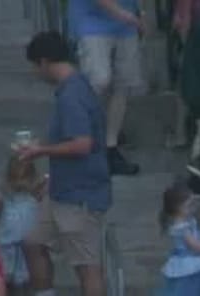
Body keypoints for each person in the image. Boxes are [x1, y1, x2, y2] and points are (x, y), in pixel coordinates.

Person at [19, 31, 114, 296]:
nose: (36, 73)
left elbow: (82, 144)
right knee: (33, 241)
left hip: (81, 195)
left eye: (36, 66)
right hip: (61, 189)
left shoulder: (72, 94)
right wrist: (51, 175)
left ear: (45, 62)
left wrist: (39, 151)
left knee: (87, 268)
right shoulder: (72, 89)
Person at [67, 0, 144, 175]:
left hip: (126, 25)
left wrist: (139, 13)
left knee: (123, 84)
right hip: (91, 21)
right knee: (99, 79)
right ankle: (83, 138)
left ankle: (111, 148)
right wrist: (124, 14)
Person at [0, 154, 44, 296]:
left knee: (29, 278)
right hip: (7, 246)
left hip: (29, 247)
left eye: (24, 176)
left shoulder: (36, 196)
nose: (20, 182)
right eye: (16, 176)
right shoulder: (3, 196)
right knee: (6, 279)